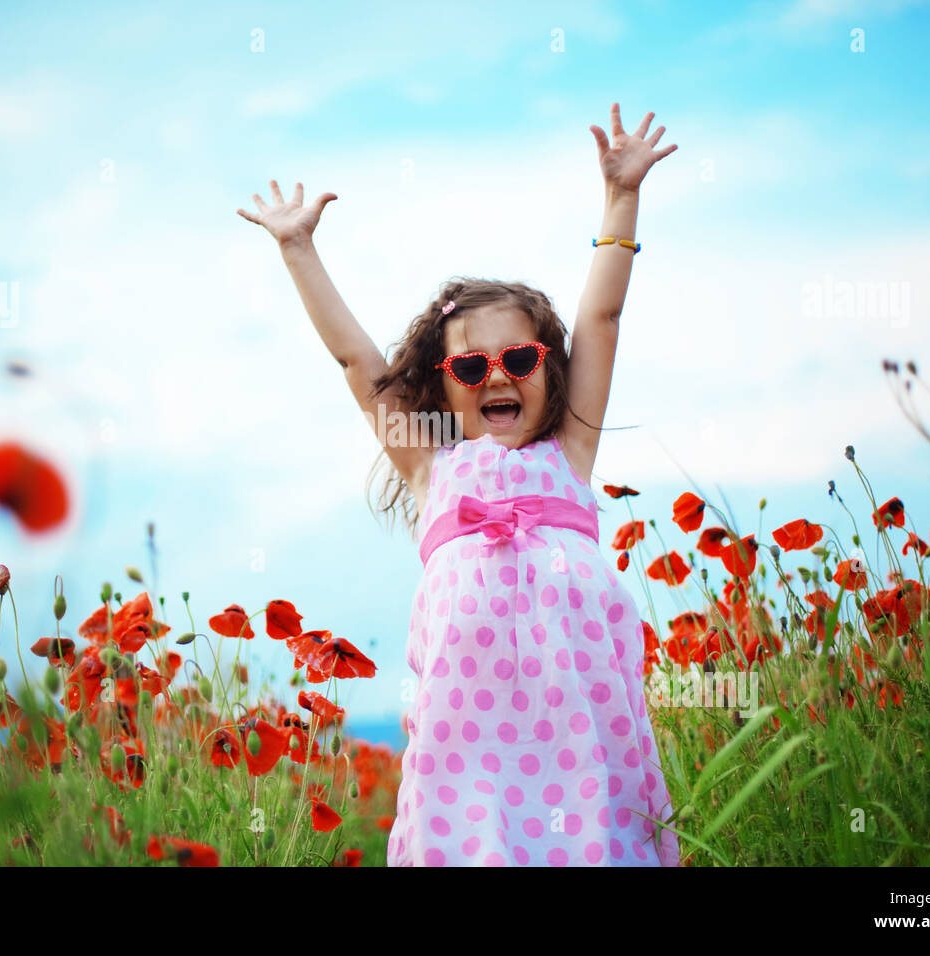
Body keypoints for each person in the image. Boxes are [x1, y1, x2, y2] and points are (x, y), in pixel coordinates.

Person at [237, 104, 680, 866]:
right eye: (472, 368)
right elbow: (356, 363)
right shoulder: (429, 462)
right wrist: (298, 248)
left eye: (520, 359)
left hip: (578, 732)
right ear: (443, 394)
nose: (499, 375)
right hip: (467, 750)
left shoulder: (570, 447)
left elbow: (601, 318)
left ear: (550, 369)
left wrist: (621, 200)